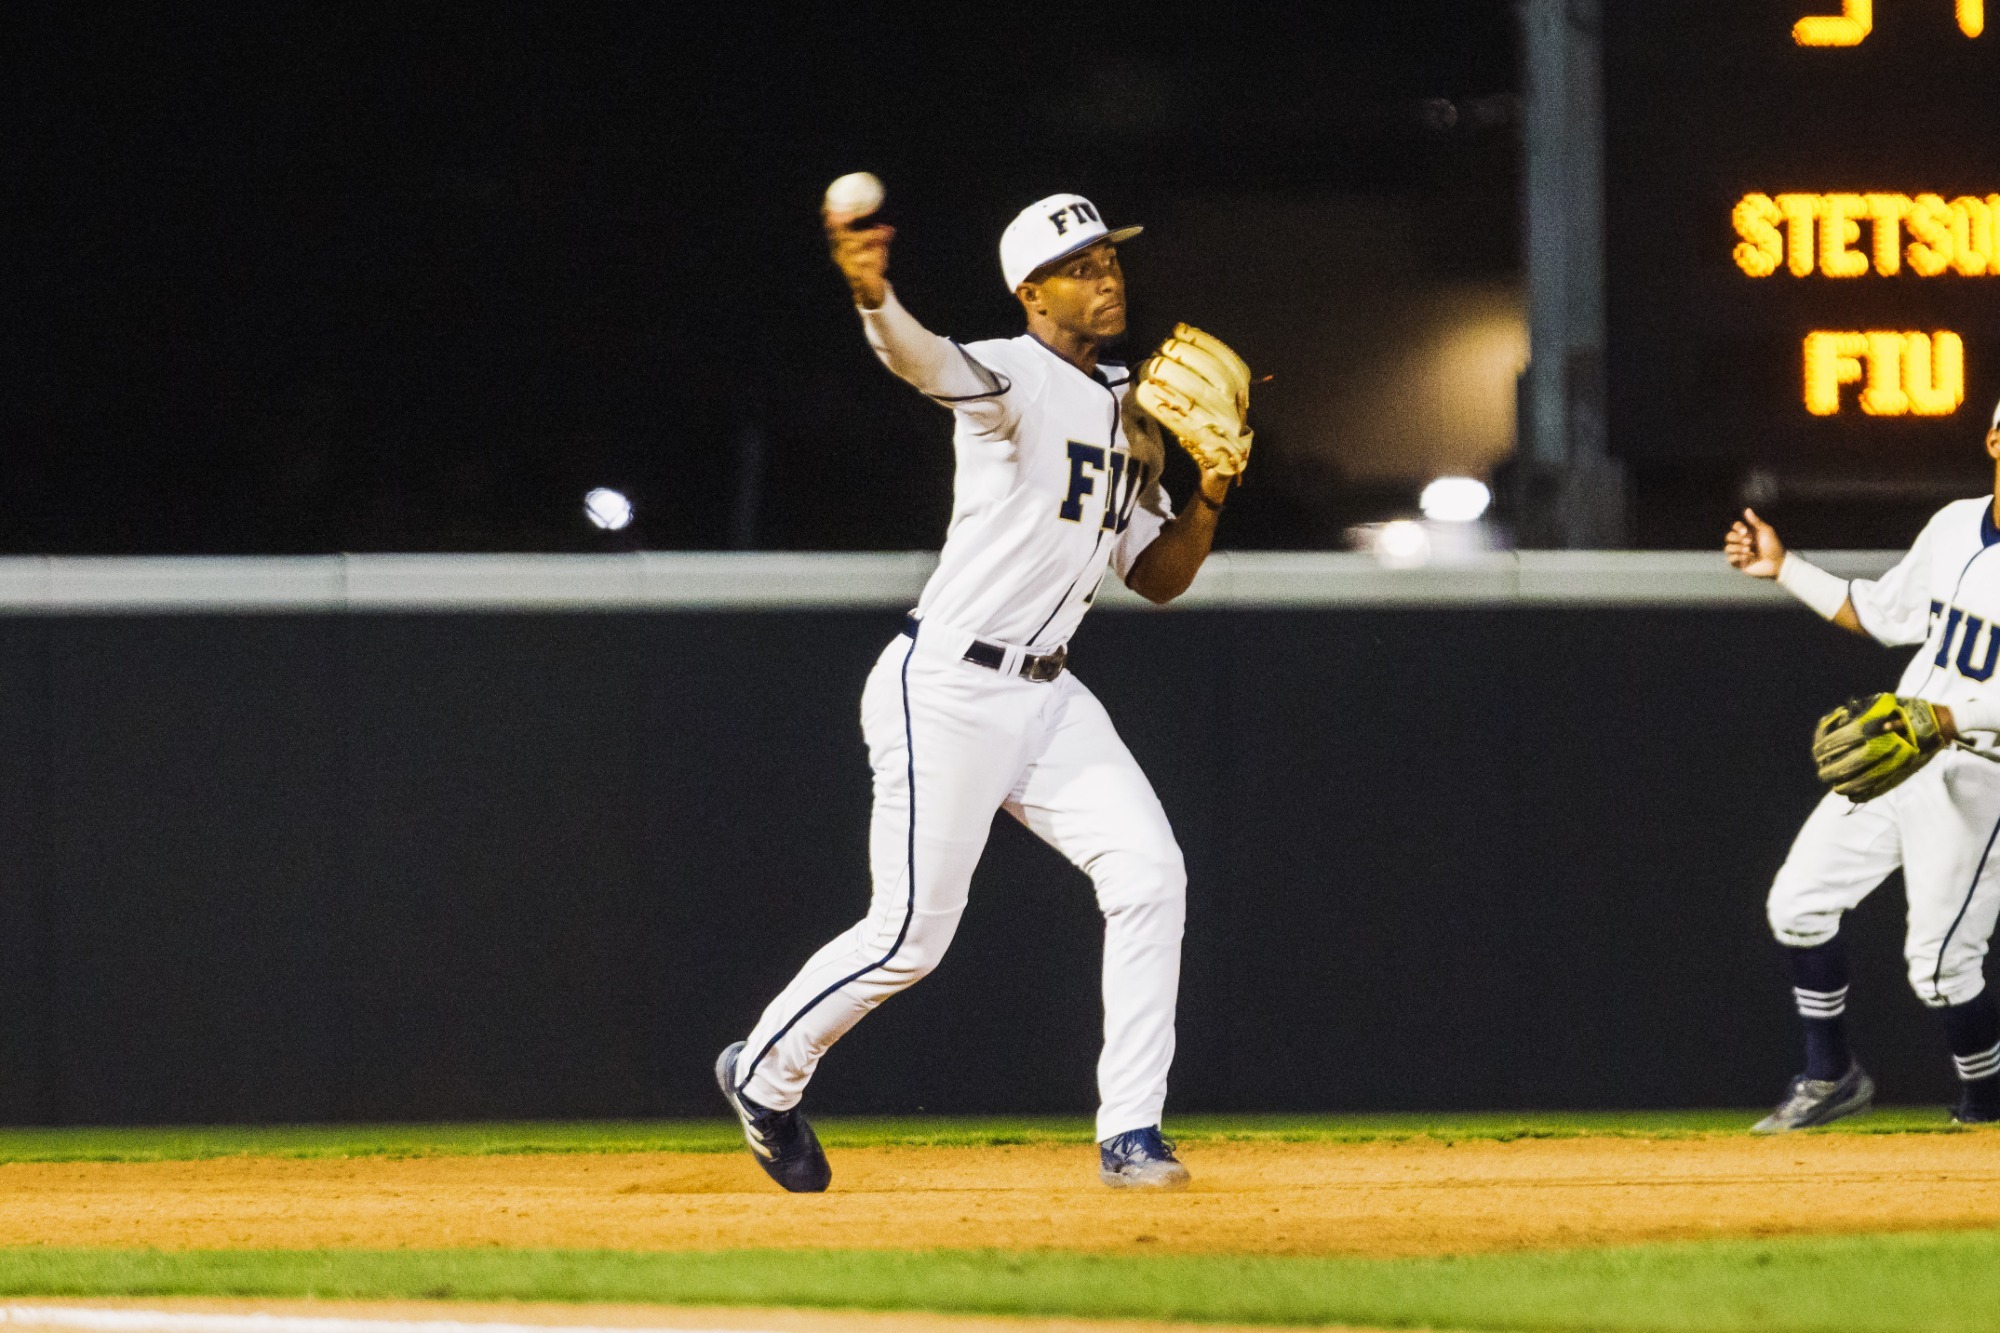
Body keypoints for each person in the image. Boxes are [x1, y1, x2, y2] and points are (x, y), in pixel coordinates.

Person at [714, 191, 1249, 1190]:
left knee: (1148, 875)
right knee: (910, 937)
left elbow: (1158, 576)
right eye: (1081, 266)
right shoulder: (1010, 373)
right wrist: (874, 297)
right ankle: (765, 1072)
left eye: (1110, 261)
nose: (1106, 277)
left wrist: (1213, 486)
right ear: (1031, 290)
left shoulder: (1134, 417)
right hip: (947, 687)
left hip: (1047, 697)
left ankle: (1130, 1134)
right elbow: (921, 361)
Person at [1725, 395, 2000, 1130]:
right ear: (1995, 440)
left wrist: (1949, 716)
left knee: (1941, 970)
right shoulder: (1951, 526)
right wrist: (1785, 568)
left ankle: (1988, 1107)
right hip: (1900, 749)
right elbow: (1882, 612)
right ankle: (1830, 1075)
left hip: (1981, 773)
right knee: (1797, 905)